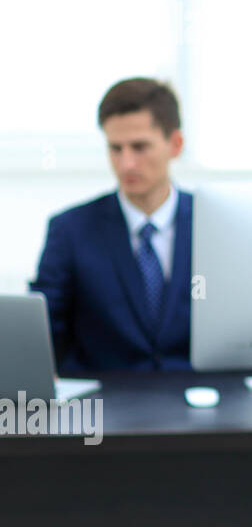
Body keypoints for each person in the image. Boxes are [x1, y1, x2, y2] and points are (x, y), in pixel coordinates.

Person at [30, 77, 192, 372]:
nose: (126, 163)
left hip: (204, 402)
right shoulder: (70, 231)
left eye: (140, 147)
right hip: (102, 406)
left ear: (175, 144)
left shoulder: (215, 228)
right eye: (116, 148)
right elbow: (39, 336)